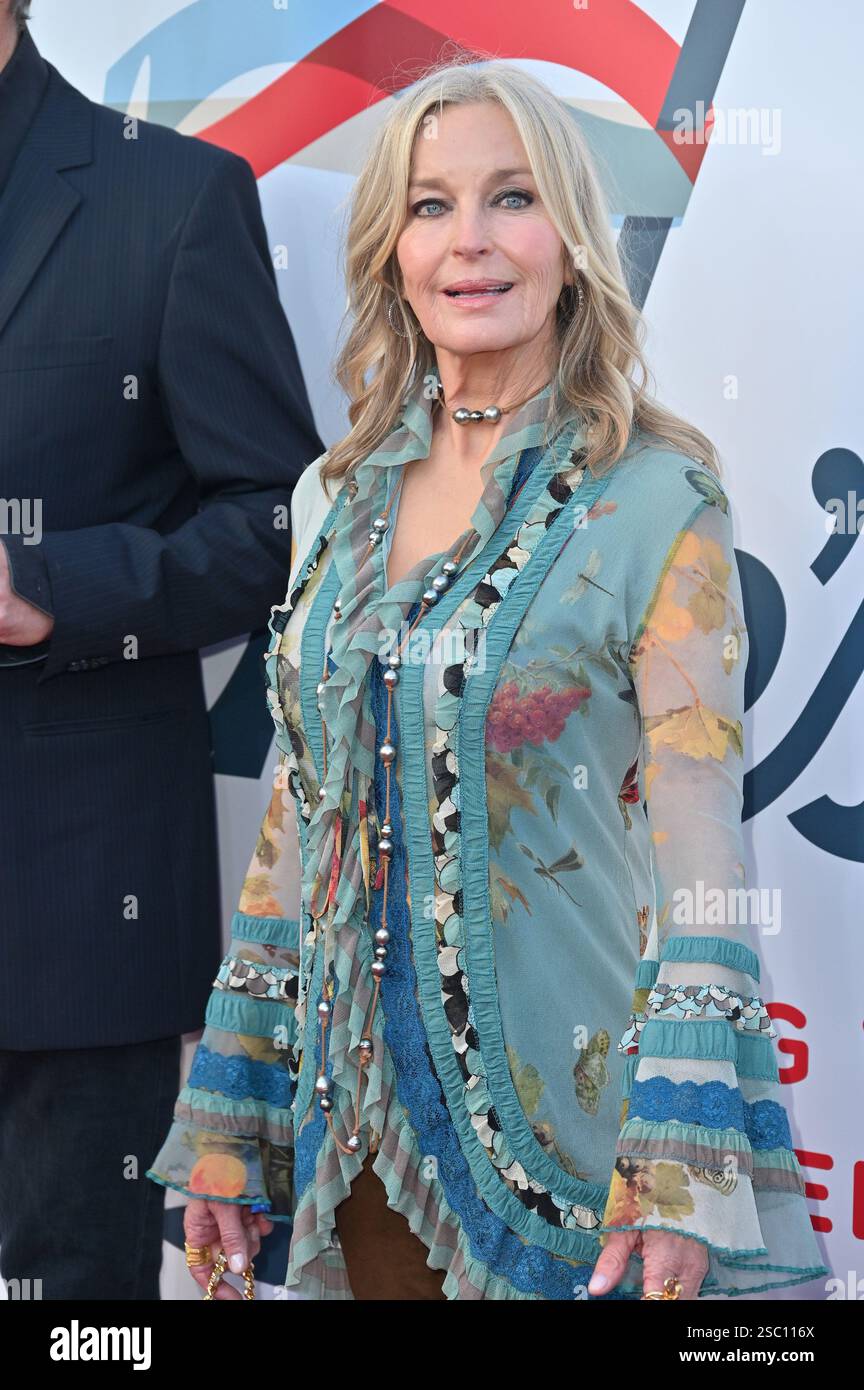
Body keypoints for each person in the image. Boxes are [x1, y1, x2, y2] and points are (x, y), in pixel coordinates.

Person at [147, 57, 830, 1301]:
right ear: (391, 250)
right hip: (352, 1153)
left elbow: (704, 859)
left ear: (572, 238)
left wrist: (674, 1161)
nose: (470, 242)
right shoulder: (331, 496)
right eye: (429, 206)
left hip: (588, 1160)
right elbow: (299, 822)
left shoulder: (660, 496)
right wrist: (232, 1115)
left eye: (512, 198)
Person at [0, 1, 323, 1299]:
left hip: (67, 917)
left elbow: (272, 524)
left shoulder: (172, 196)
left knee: (76, 1311)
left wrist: (42, 584)